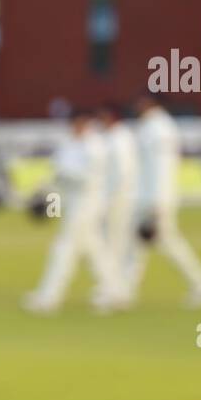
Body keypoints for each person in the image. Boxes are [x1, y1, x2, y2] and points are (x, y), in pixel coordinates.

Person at [22, 109, 120, 313]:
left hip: (87, 204)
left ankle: (49, 298)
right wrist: (46, 193)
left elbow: (88, 179)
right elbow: (57, 175)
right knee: (94, 249)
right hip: (71, 204)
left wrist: (63, 174)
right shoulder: (69, 144)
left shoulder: (94, 147)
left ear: (85, 123)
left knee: (64, 248)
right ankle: (114, 292)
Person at [126, 92, 201, 308]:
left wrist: (158, 203)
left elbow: (162, 170)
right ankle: (123, 291)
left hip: (155, 199)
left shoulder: (161, 129)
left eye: (141, 101)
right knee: (135, 246)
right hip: (144, 197)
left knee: (168, 243)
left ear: (151, 103)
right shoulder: (149, 127)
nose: (137, 104)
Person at [96, 103, 137, 309]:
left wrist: (107, 200)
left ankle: (113, 292)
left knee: (113, 247)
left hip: (117, 201)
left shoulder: (119, 139)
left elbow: (120, 174)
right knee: (113, 247)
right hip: (116, 199)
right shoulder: (114, 138)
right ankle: (117, 291)